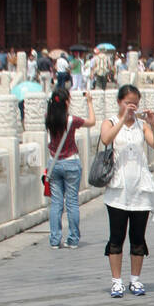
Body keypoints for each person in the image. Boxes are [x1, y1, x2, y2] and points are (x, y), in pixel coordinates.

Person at [100, 84, 154, 296]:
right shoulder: (110, 122)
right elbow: (106, 139)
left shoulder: (142, 125)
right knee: (116, 237)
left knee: (138, 238)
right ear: (119, 102)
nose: (132, 106)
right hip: (117, 190)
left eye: (135, 102)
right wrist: (122, 119)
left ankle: (135, 280)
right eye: (128, 102)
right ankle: (116, 280)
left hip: (140, 189)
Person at [45, 86, 96, 249]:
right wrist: (89, 102)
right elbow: (92, 122)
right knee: (72, 202)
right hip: (71, 162)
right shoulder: (72, 120)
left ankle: (54, 239)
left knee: (56, 203)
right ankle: (73, 239)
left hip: (54, 164)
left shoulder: (48, 118)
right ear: (67, 102)